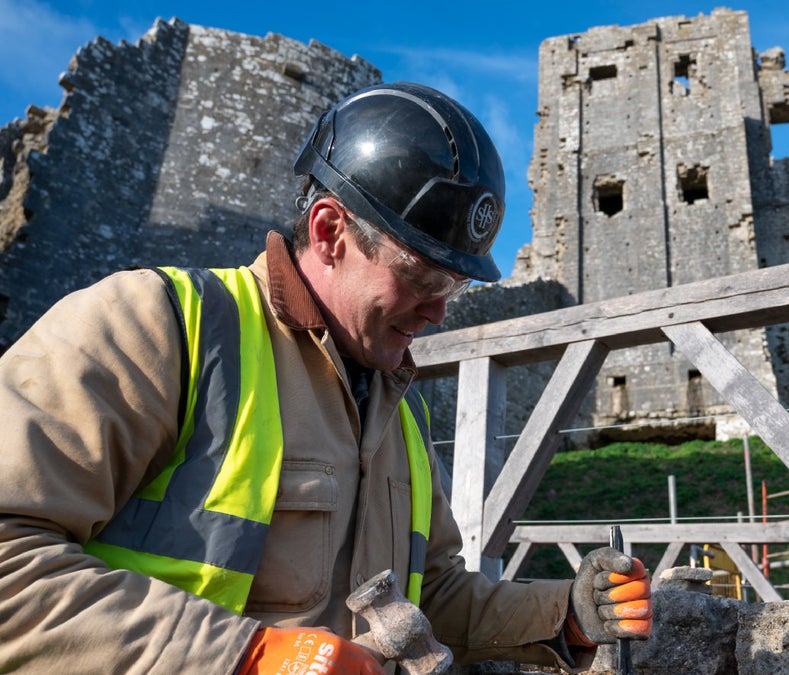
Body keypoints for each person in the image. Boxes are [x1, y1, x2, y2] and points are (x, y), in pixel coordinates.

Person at [0, 82, 651, 673]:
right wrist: (248, 657)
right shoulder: (159, 327)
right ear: (330, 230)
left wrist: (562, 613)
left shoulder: (401, 408)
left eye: (452, 285)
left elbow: (436, 595)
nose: (438, 309)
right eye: (421, 278)